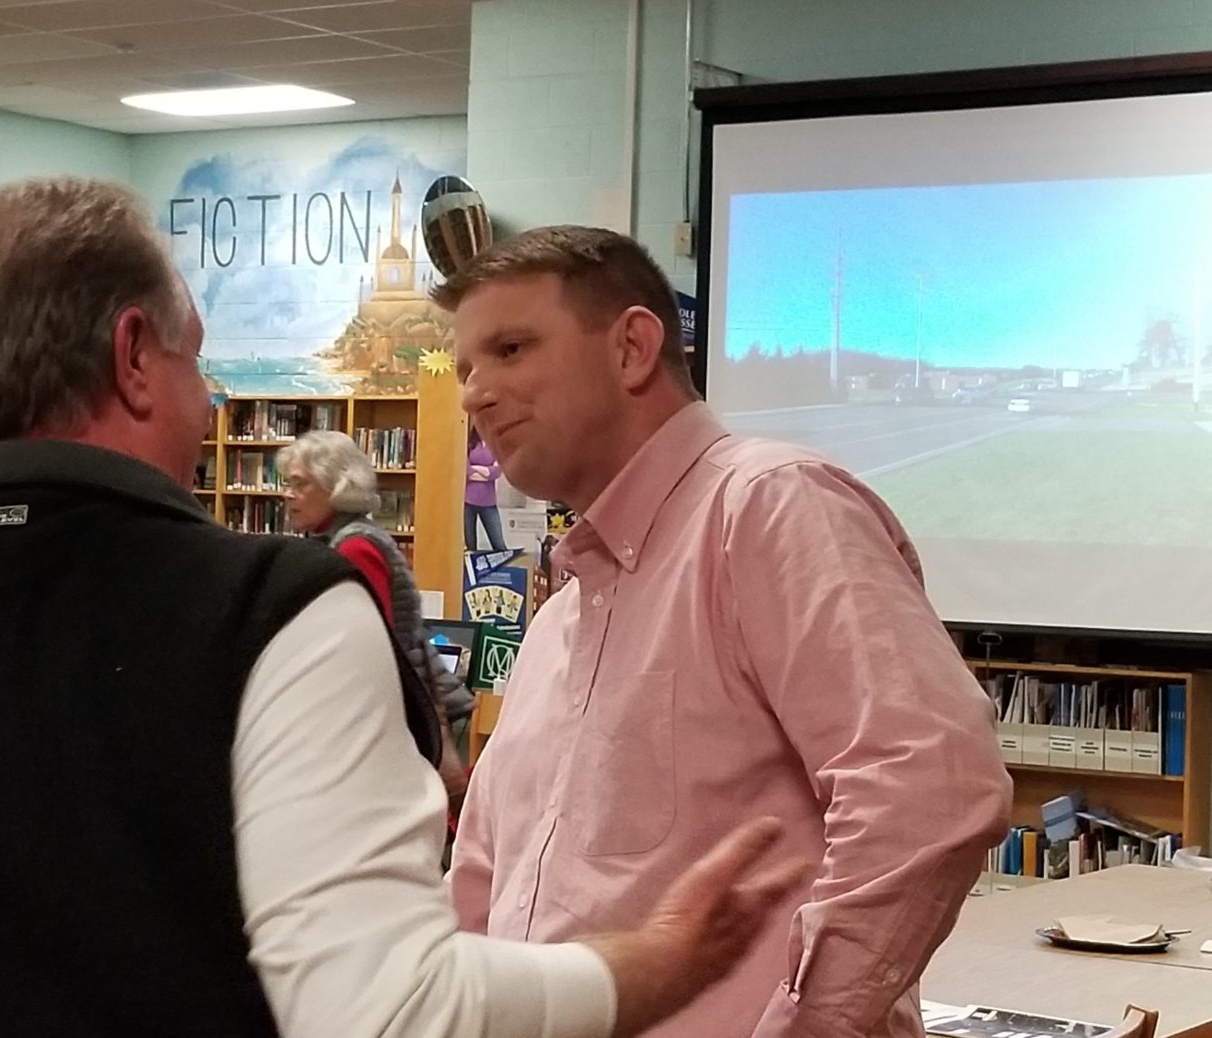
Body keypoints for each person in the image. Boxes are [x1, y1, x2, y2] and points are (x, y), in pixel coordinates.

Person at [0, 177, 811, 1038]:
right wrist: (656, 966)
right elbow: (385, 1012)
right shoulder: (270, 611)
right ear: (133, 358)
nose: (209, 406)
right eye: (192, 362)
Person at [435, 225, 1014, 1038]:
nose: (474, 394)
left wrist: (814, 1027)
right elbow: (488, 883)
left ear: (634, 346)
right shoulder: (565, 613)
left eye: (511, 349)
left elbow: (929, 784)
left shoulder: (768, 506)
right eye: (466, 368)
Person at [277, 429, 471, 812]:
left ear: (334, 486)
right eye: (287, 483)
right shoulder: (344, 538)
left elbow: (371, 648)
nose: (288, 494)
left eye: (299, 484)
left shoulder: (354, 546)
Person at [465, 422, 506, 550]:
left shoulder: (495, 446)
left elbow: (497, 471)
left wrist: (478, 470)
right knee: (470, 546)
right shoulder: (470, 445)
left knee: (499, 544)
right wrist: (486, 472)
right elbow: (467, 472)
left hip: (488, 502)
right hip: (468, 501)